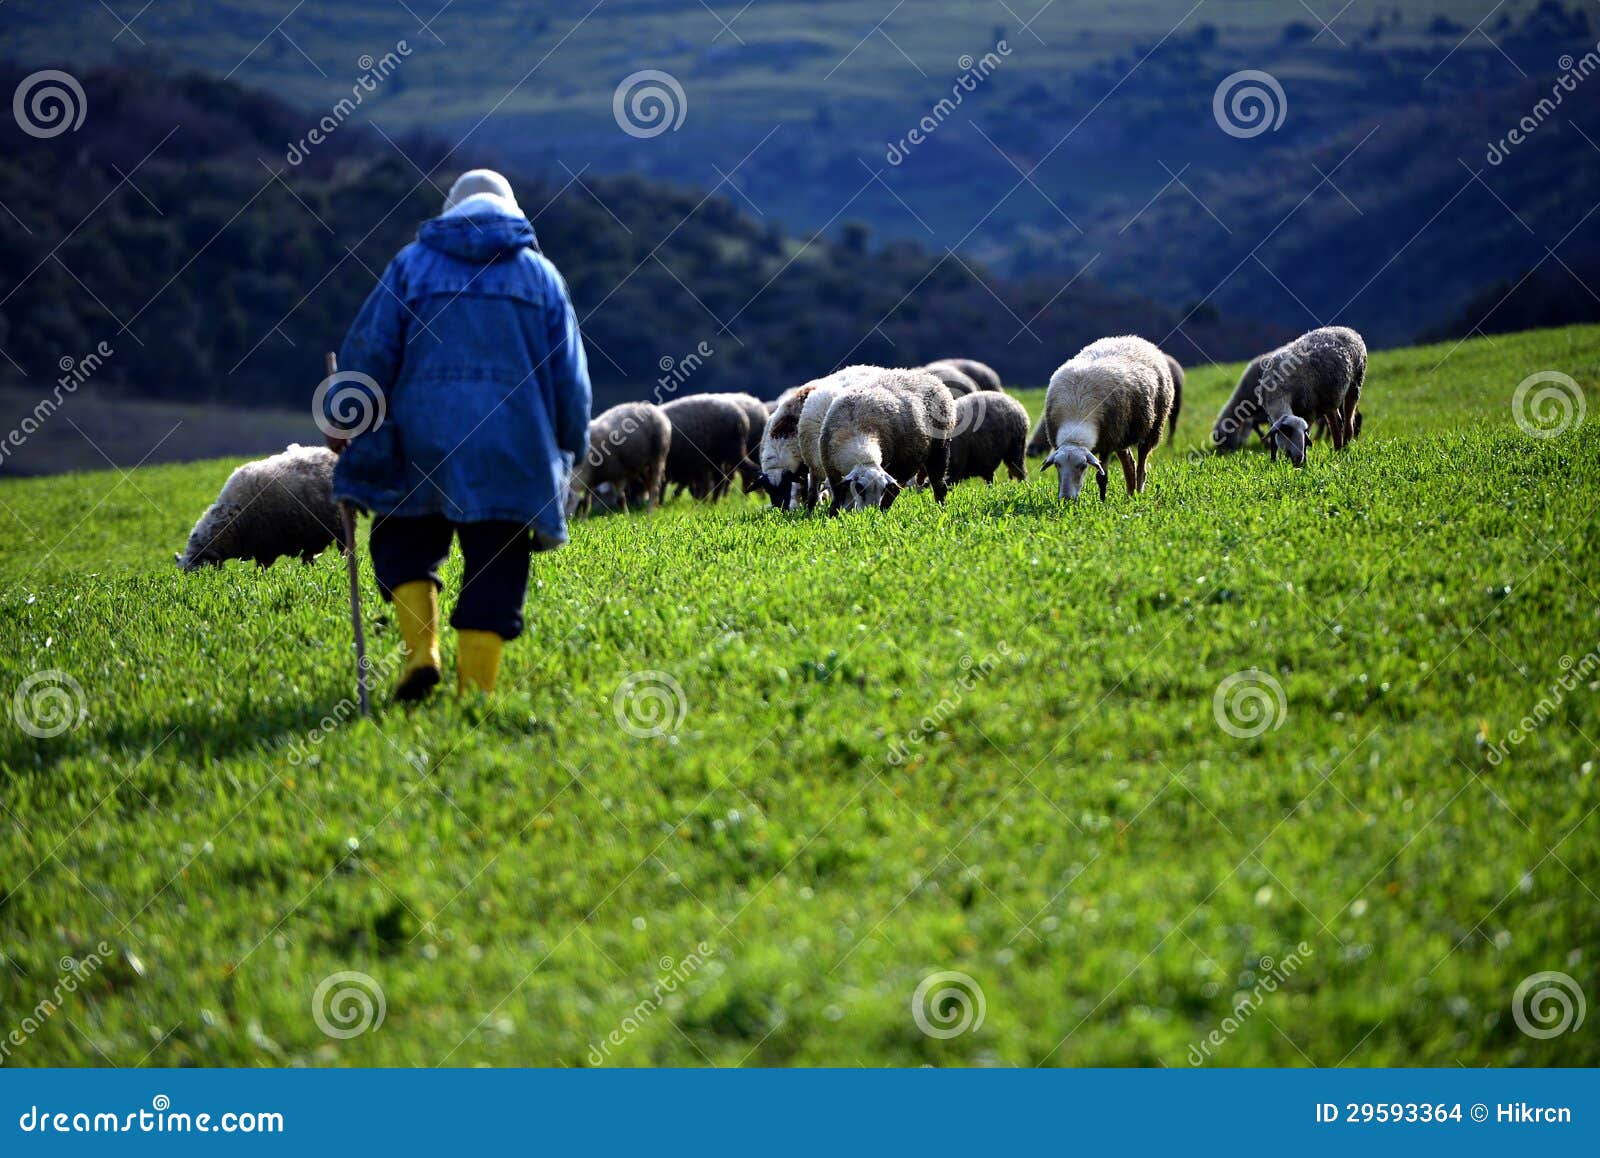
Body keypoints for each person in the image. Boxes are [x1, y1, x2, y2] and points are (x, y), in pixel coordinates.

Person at [324, 170, 591, 700]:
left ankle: (422, 654)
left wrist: (342, 416)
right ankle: (475, 692)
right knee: (499, 560)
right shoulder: (540, 278)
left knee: (405, 540)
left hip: (420, 440)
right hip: (513, 449)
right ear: (513, 214)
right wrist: (572, 440)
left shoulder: (410, 267)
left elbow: (371, 351)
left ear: (449, 210)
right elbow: (570, 377)